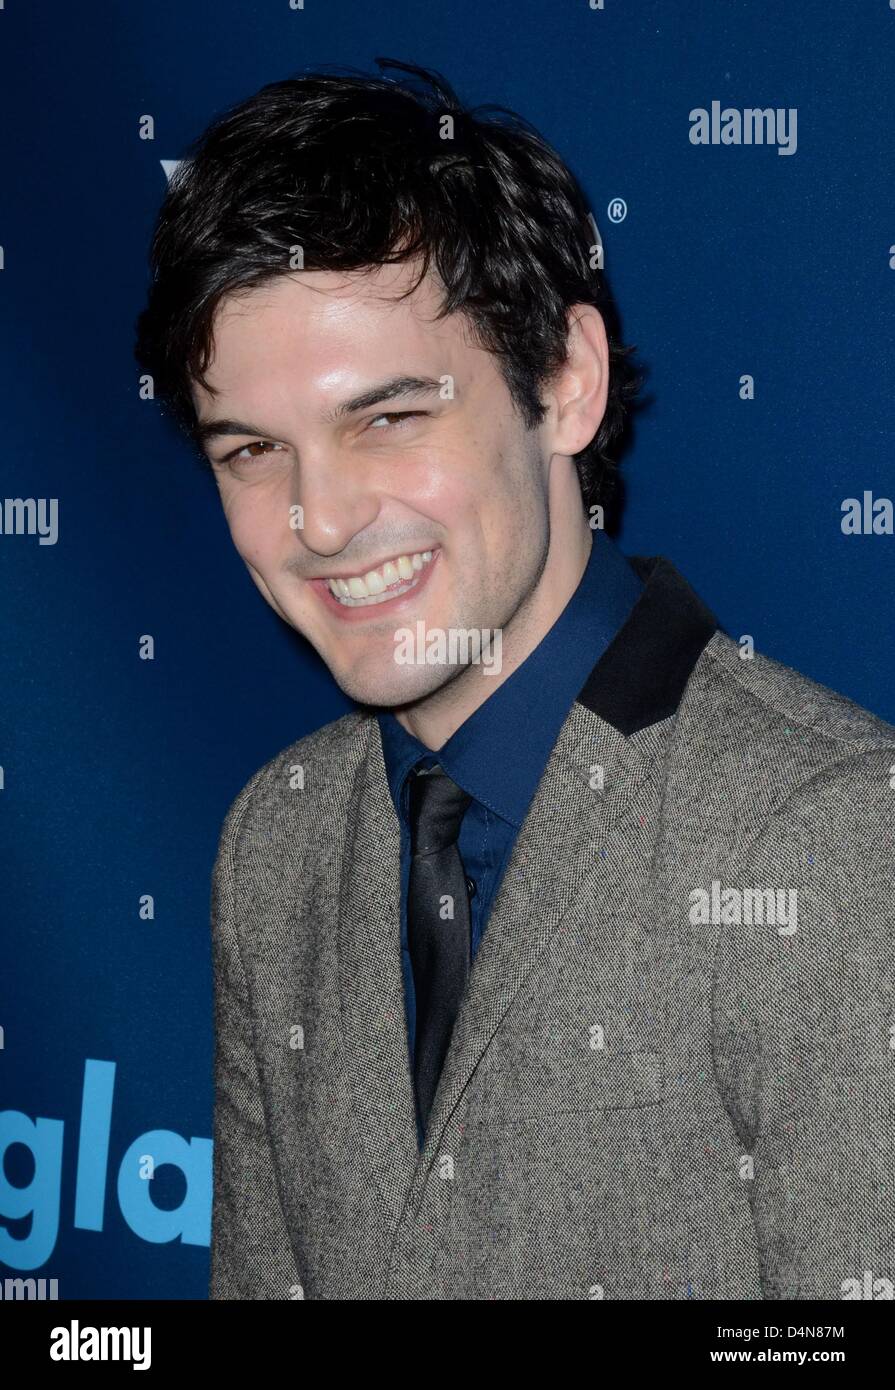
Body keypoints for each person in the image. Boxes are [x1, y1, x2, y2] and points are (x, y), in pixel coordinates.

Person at [135, 59, 895, 1300]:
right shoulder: (276, 843)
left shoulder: (831, 840)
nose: (318, 519)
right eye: (253, 451)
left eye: (387, 418)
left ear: (565, 382)